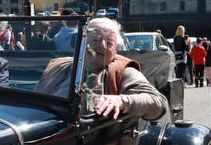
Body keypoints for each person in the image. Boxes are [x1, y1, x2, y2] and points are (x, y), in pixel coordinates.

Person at [37, 18, 167, 120]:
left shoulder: (122, 71)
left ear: (116, 49)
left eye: (109, 42)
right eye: (96, 39)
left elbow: (158, 102)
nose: (102, 46)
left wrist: (121, 101)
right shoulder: (62, 67)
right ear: (83, 42)